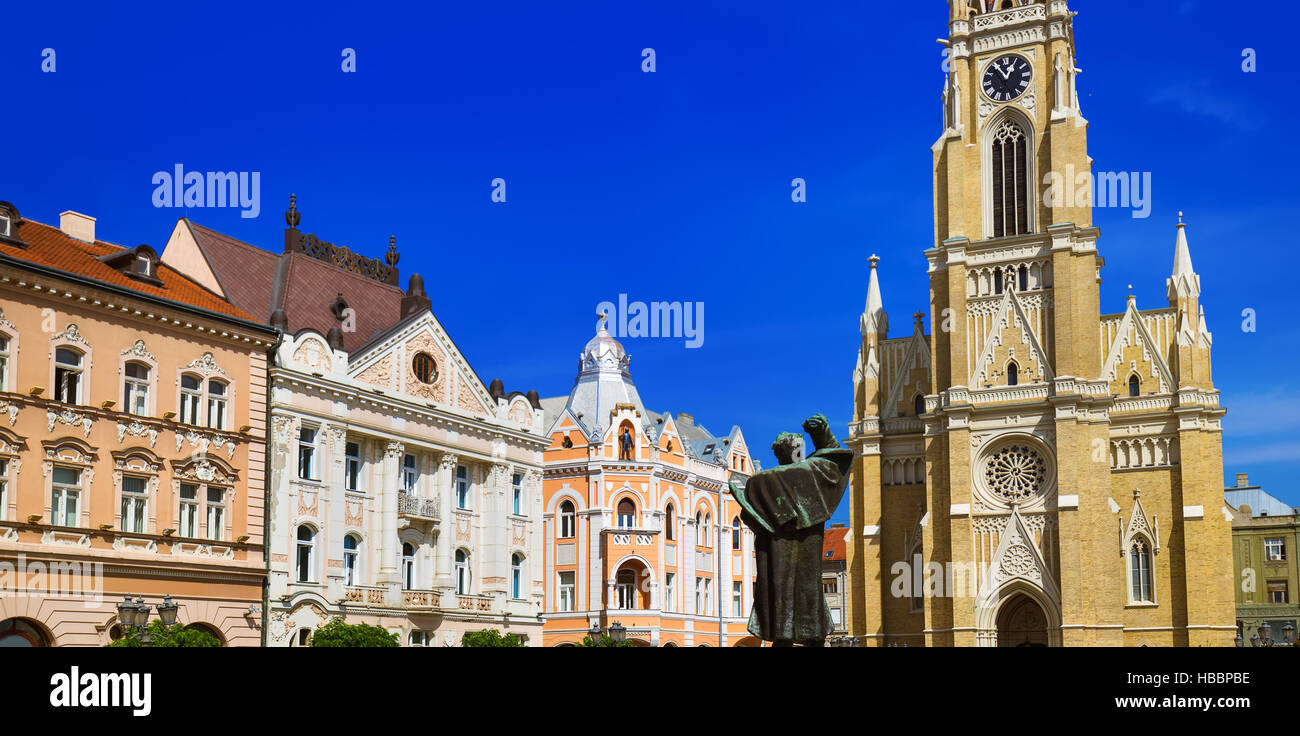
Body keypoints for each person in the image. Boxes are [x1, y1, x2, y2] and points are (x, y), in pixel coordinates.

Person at [729, 414, 853, 646]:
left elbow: (750, 515)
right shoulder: (814, 472)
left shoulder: (760, 481)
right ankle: (811, 637)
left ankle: (786, 637)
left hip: (779, 554)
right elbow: (837, 460)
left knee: (782, 597)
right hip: (805, 549)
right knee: (808, 593)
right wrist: (821, 434)